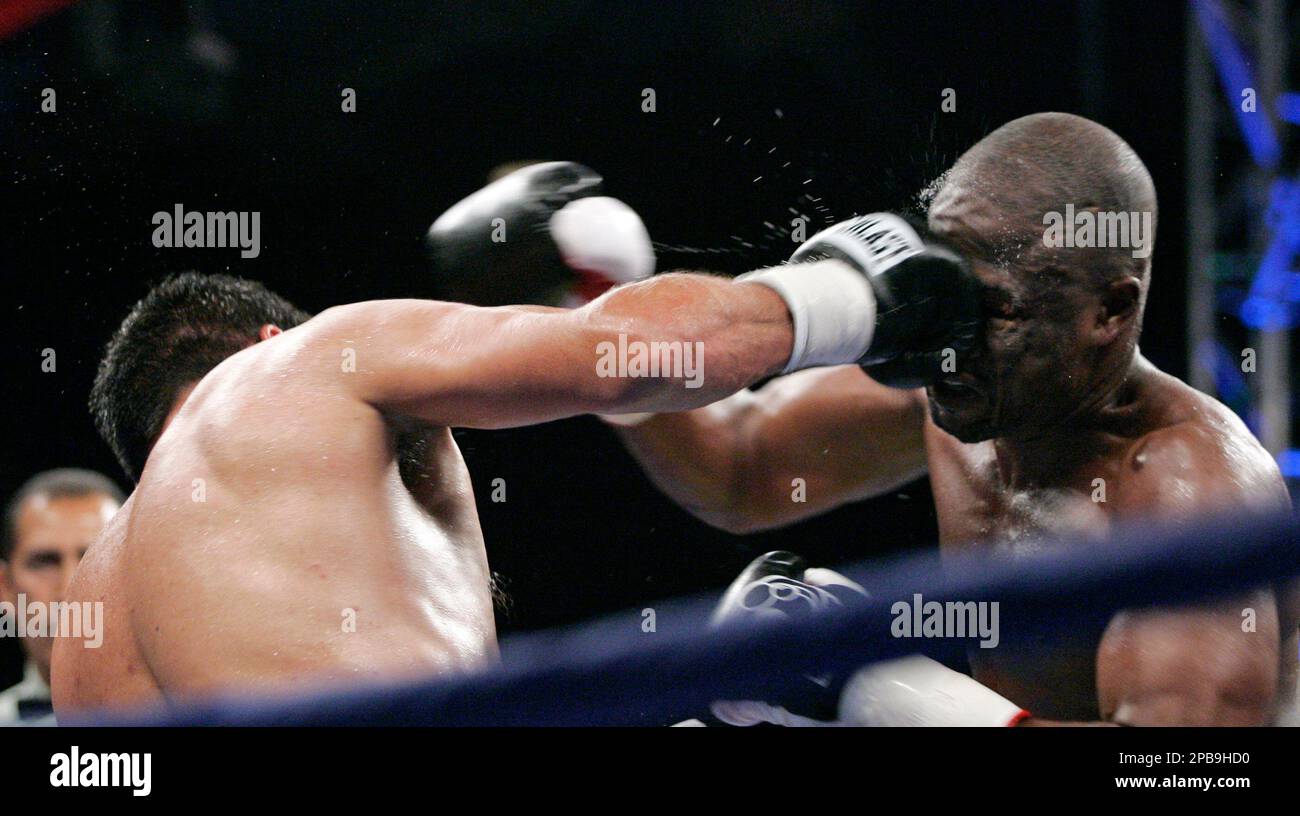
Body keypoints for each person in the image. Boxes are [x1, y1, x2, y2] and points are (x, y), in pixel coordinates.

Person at [52, 163, 979, 712]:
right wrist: (854, 294)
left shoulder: (87, 628)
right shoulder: (302, 361)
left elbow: (736, 471)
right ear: (268, 338)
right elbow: (627, 356)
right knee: (827, 679)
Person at [604, 113, 1298, 725]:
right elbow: (741, 467)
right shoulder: (969, 380)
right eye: (947, 296)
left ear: (1110, 312)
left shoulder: (1189, 493)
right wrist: (597, 311)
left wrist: (878, 695)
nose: (947, 341)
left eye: (995, 311)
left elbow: (1186, 781)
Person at [1, 469, 122, 722]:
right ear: (5, 587)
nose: (69, 590)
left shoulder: (199, 716)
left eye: (94, 556)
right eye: (45, 562)